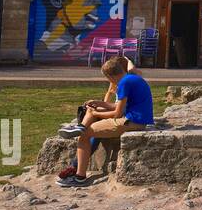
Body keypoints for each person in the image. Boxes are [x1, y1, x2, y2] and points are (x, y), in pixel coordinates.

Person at [57, 56, 154, 188]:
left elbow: (117, 113)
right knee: (90, 117)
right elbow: (119, 106)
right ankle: (80, 127)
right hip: (136, 120)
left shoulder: (123, 84)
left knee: (84, 135)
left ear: (110, 76)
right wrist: (100, 104)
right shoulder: (133, 78)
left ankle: (79, 177)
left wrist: (95, 113)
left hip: (131, 122)